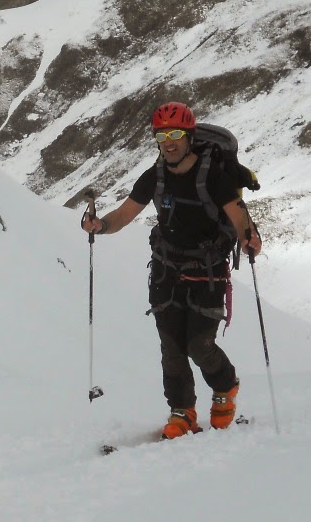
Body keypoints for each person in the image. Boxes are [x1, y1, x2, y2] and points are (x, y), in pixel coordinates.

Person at [81, 101, 262, 439]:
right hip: (166, 270)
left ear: (189, 136)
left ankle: (225, 387)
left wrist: (251, 239)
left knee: (198, 344)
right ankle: (182, 411)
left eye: (176, 133)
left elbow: (240, 219)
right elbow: (123, 216)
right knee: (172, 347)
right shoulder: (155, 177)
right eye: (162, 135)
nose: (169, 141)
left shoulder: (214, 177)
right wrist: (99, 226)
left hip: (208, 272)